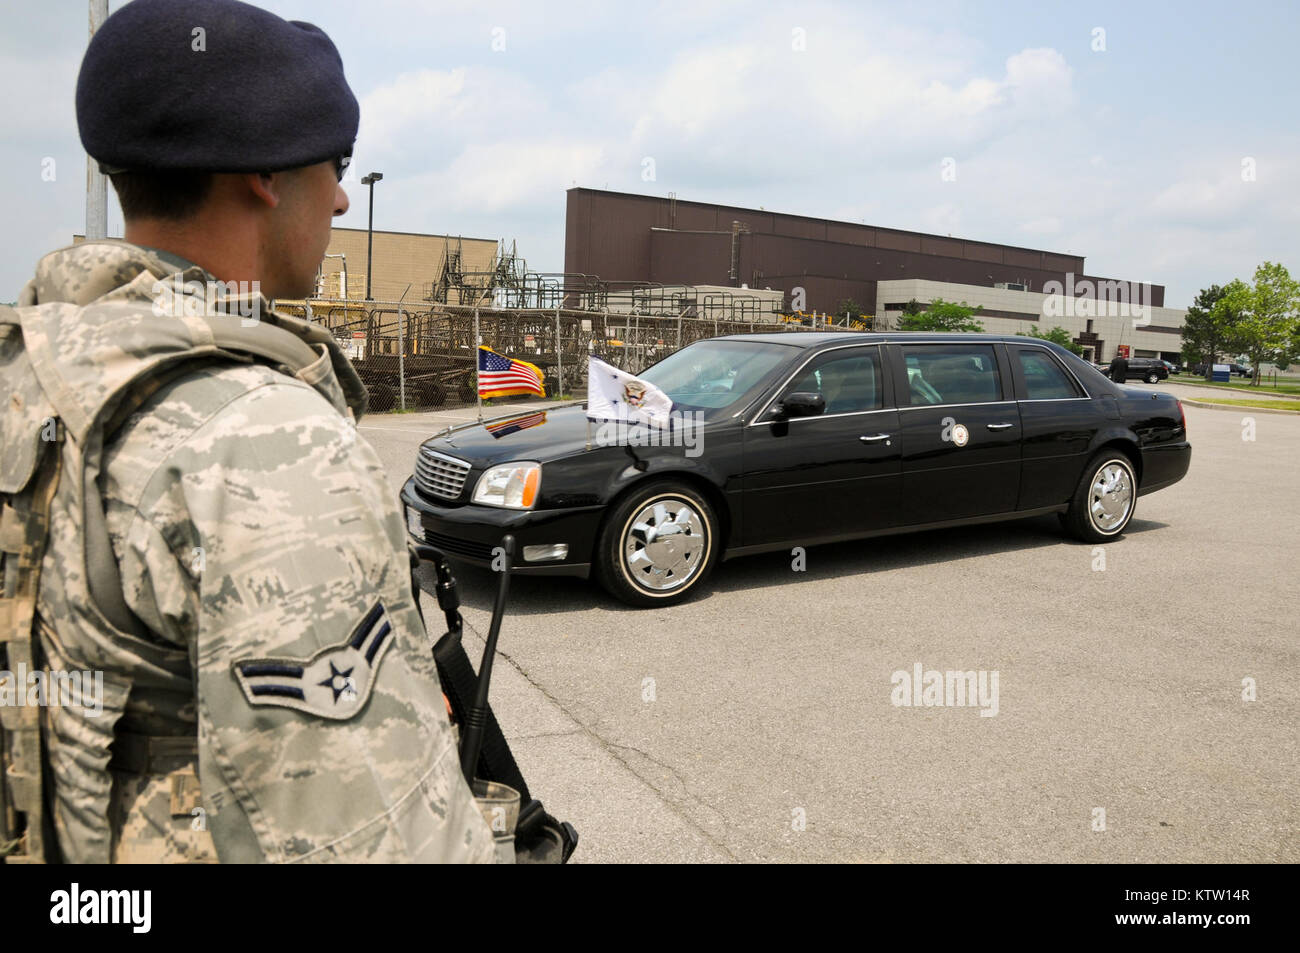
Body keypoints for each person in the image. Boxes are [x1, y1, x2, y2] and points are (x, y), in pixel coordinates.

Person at [0, 0, 497, 863]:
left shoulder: (27, 371)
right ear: (267, 173)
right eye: (336, 163)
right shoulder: (262, 438)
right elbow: (360, 834)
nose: (343, 194)